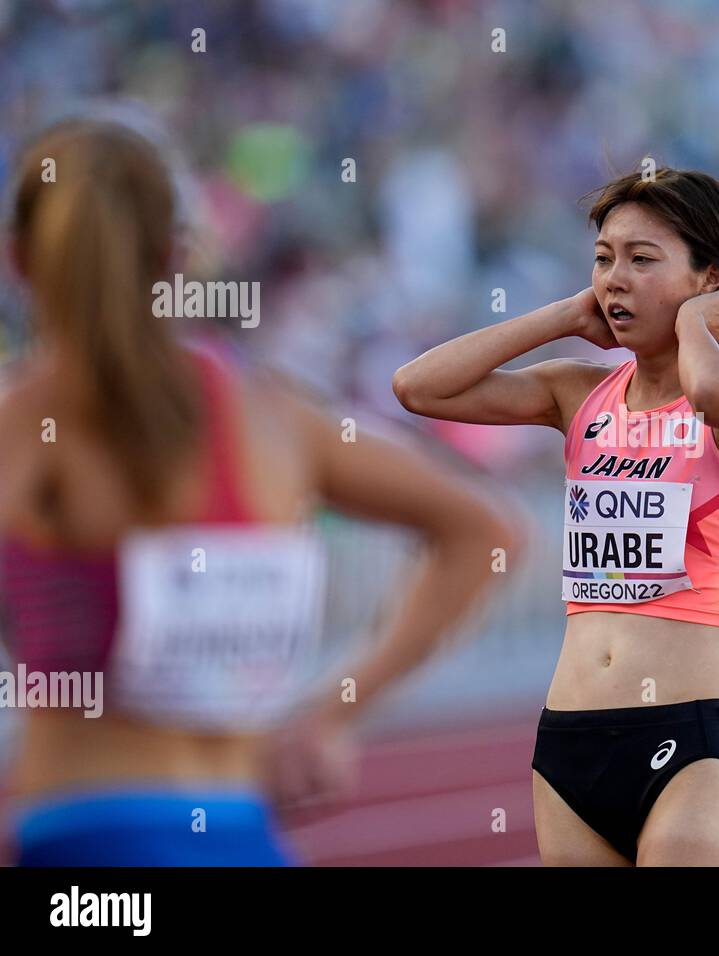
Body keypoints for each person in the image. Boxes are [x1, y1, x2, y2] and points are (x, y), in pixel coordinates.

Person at [0, 117, 515, 865]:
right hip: (237, 834)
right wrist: (335, 710)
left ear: (18, 261)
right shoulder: (275, 419)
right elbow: (487, 529)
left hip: (82, 842)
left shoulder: (22, 426)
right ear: (176, 259)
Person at [393, 167, 719, 865]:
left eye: (642, 259)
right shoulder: (576, 393)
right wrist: (565, 317)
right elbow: (418, 387)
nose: (615, 279)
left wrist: (697, 323)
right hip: (569, 742)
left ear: (709, 276)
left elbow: (709, 391)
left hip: (685, 747)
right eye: (603, 259)